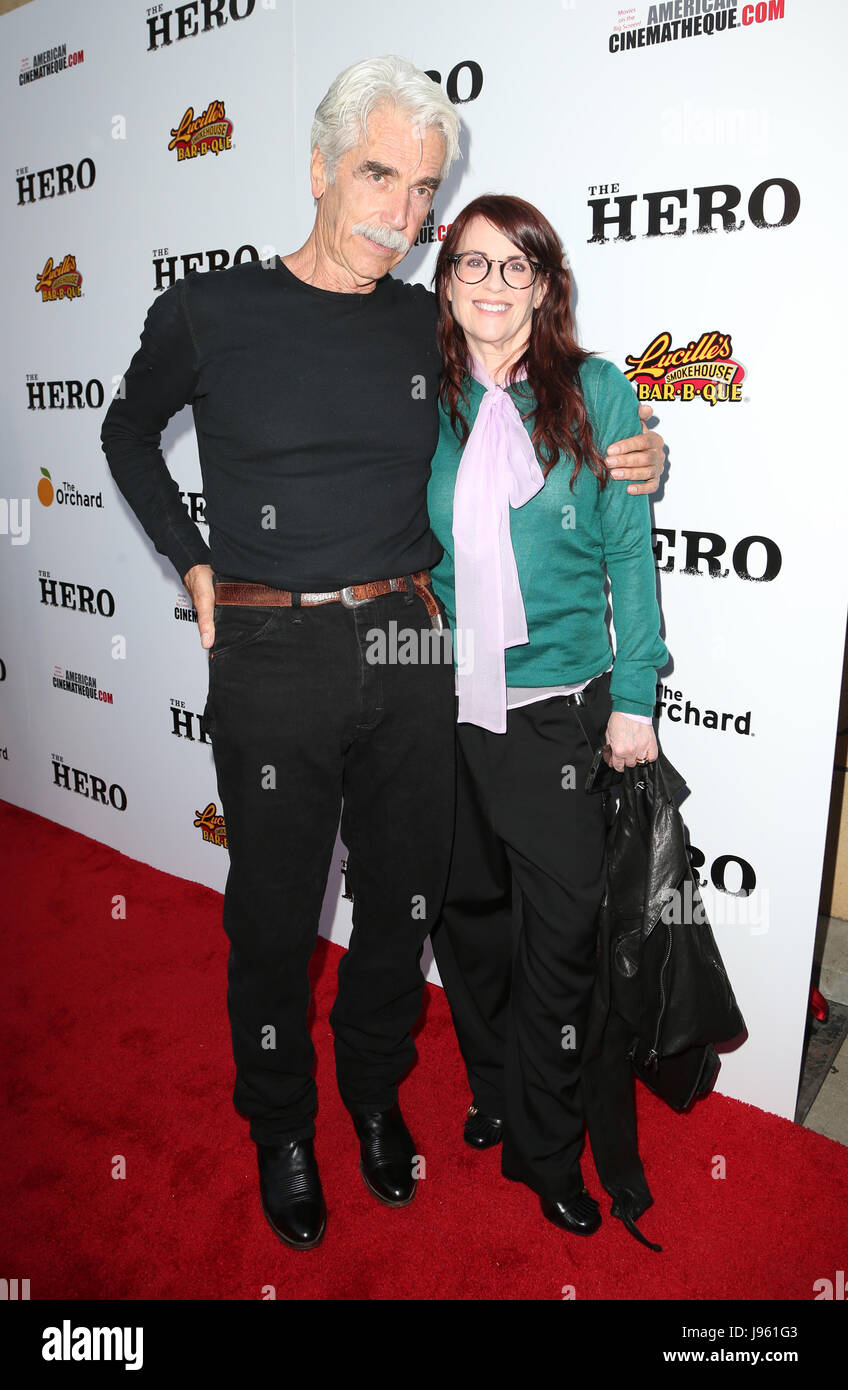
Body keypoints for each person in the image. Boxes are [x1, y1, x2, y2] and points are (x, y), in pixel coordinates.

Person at [100, 57, 665, 1251]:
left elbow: (542, 398)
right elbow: (126, 426)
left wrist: (638, 449)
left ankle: (370, 1094)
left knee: (401, 909)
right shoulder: (209, 311)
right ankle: (281, 1124)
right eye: (376, 175)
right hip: (269, 647)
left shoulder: (430, 319)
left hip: (413, 642)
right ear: (316, 169)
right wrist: (189, 556)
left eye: (421, 191)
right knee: (268, 916)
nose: (399, 213)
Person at [427, 193, 668, 1237]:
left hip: (554, 705)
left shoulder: (596, 392)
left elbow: (629, 551)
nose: (490, 285)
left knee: (562, 935)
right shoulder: (414, 396)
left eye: (511, 267)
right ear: (443, 283)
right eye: (470, 265)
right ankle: (493, 1085)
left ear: (544, 282)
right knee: (469, 921)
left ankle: (545, 1145)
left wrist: (636, 697)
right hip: (430, 704)